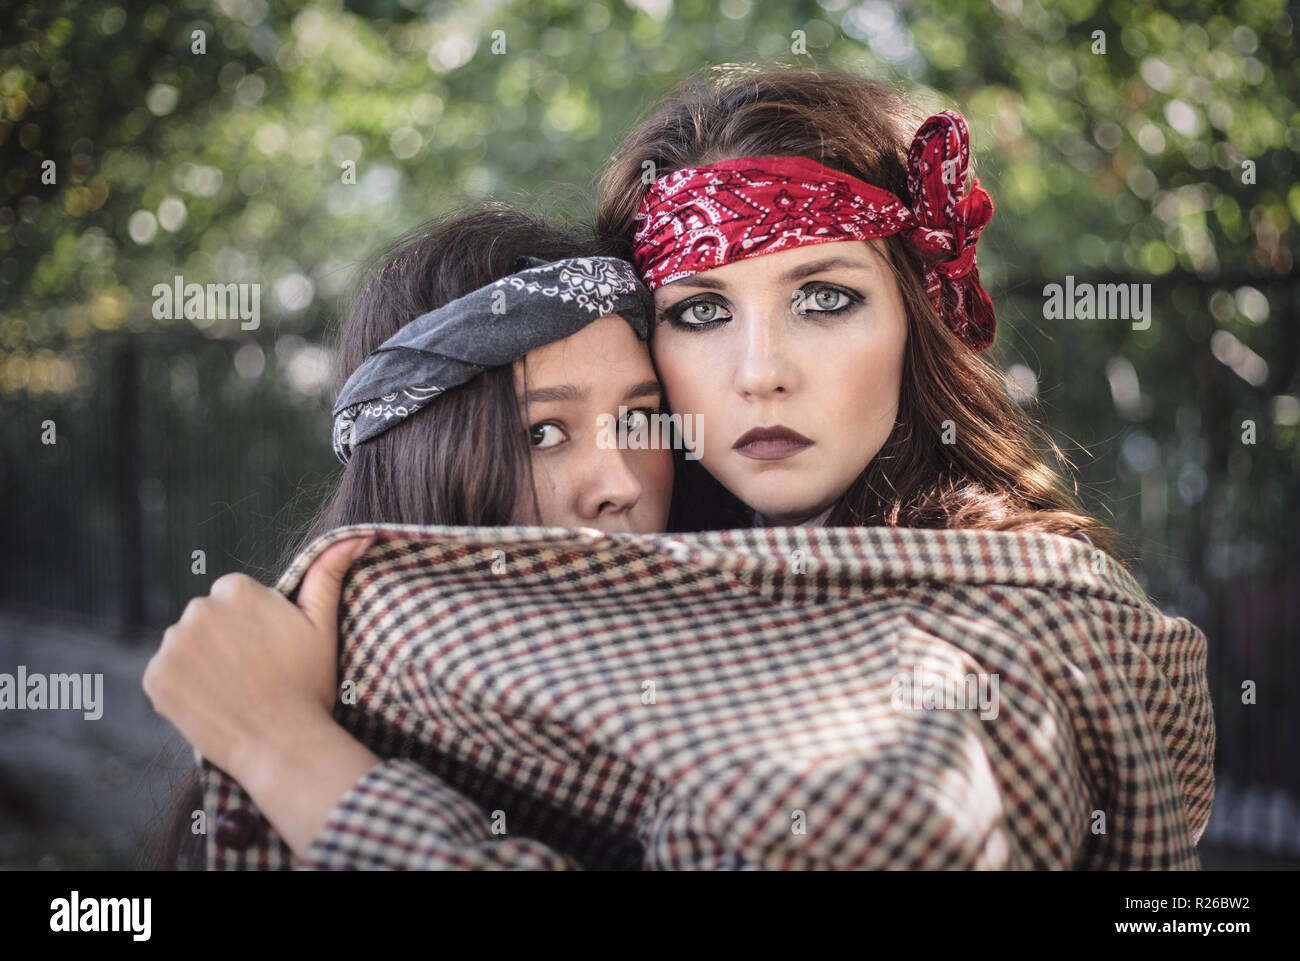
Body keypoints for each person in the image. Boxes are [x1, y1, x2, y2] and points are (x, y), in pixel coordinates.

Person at [145, 205, 673, 868]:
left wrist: (282, 747)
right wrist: (280, 739)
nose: (619, 482)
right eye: (541, 432)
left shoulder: (734, 665)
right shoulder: (314, 714)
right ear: (425, 460)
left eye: (638, 420)